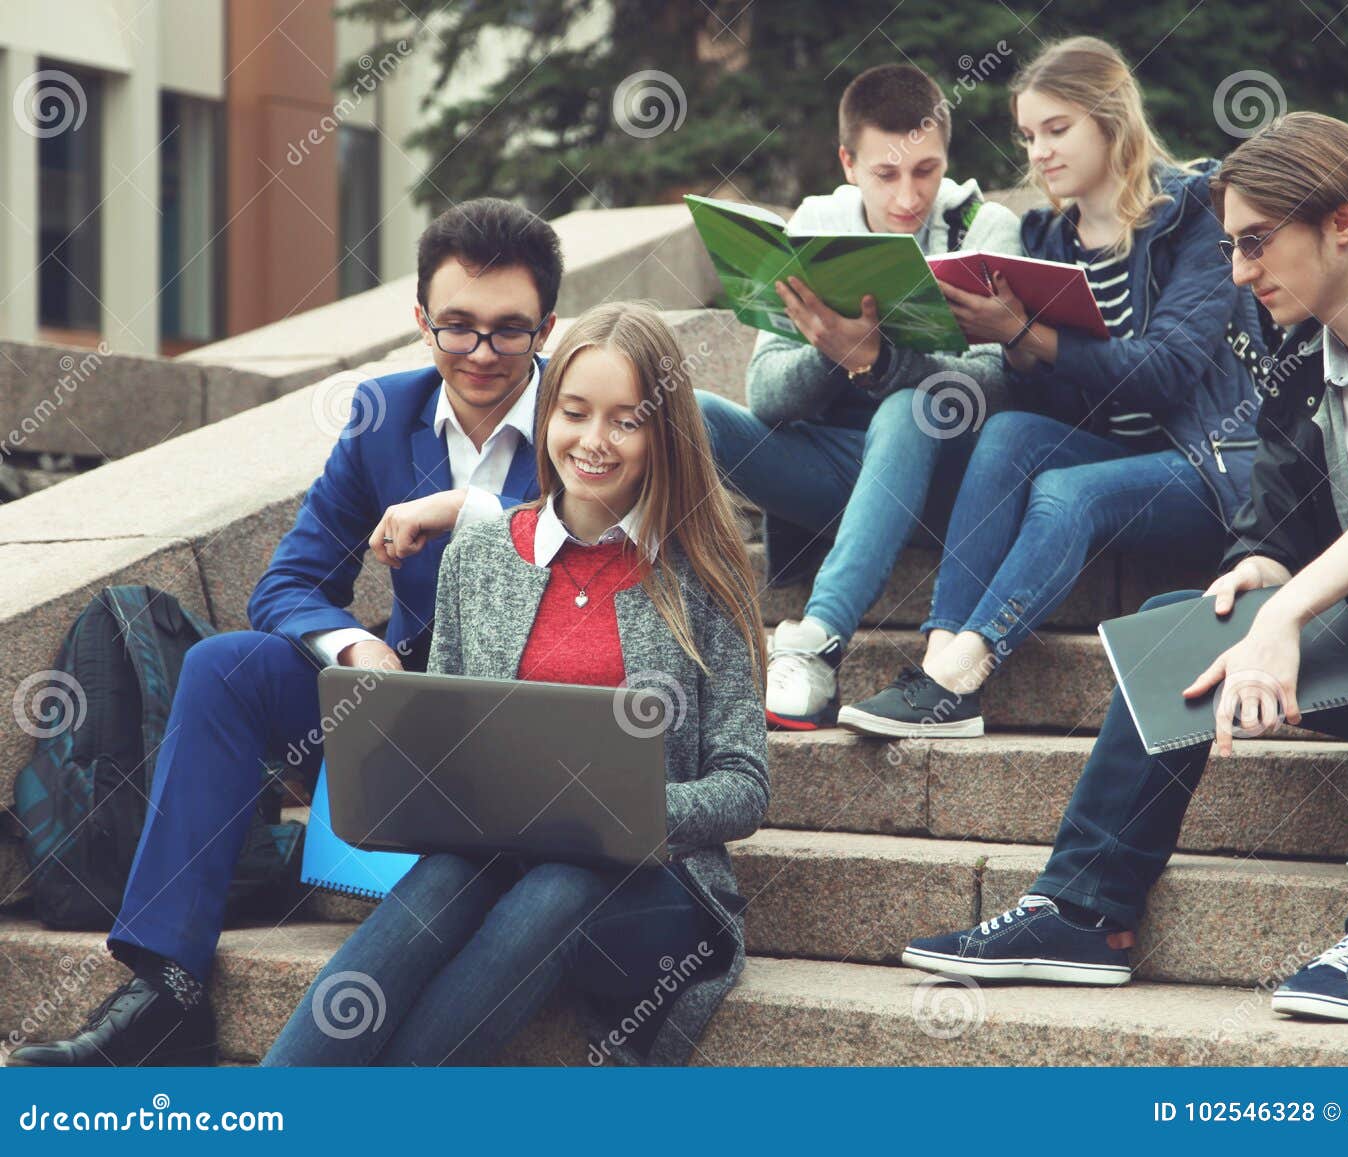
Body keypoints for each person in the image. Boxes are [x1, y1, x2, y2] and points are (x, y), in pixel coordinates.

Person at [900, 111, 1348, 1023]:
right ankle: (1081, 907)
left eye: (1257, 243)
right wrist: (1253, 583)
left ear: (1342, 220)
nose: (1238, 272)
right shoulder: (1302, 362)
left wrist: (1289, 612)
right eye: (1230, 247)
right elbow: (1271, 522)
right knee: (1192, 613)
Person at [7, 198, 564, 1066]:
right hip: (399, 715)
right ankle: (166, 989)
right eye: (457, 327)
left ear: (548, 328)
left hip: (539, 725)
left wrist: (470, 510)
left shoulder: (588, 415)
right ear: (421, 321)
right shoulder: (386, 414)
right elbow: (289, 583)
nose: (481, 354)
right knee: (228, 664)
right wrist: (357, 649)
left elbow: (611, 543)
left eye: (509, 331)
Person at [263, 302, 768, 1066]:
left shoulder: (707, 578)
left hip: (657, 889)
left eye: (626, 420)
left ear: (663, 433)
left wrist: (622, 810)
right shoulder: (483, 555)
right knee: (438, 884)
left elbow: (744, 787)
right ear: (548, 414)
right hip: (492, 858)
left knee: (561, 880)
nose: (594, 441)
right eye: (574, 412)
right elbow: (447, 741)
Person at [839, 37, 1265, 739]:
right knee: (1008, 433)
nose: (1038, 152)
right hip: (1112, 450)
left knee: (1069, 491)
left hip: (1206, 462)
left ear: (1112, 119)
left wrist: (1032, 337)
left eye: (1057, 130)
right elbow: (1051, 402)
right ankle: (939, 657)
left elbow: (1168, 371)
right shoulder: (1047, 238)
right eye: (1029, 135)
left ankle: (963, 672)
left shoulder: (1199, 213)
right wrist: (1007, 340)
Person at [694, 62, 1023, 730]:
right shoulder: (816, 224)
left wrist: (878, 364)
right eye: (887, 173)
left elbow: (998, 385)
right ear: (849, 163)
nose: (908, 196)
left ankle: (817, 641)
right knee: (687, 411)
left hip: (943, 483)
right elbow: (764, 395)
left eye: (926, 170)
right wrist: (832, 354)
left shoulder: (986, 229)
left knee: (911, 404)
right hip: (834, 470)